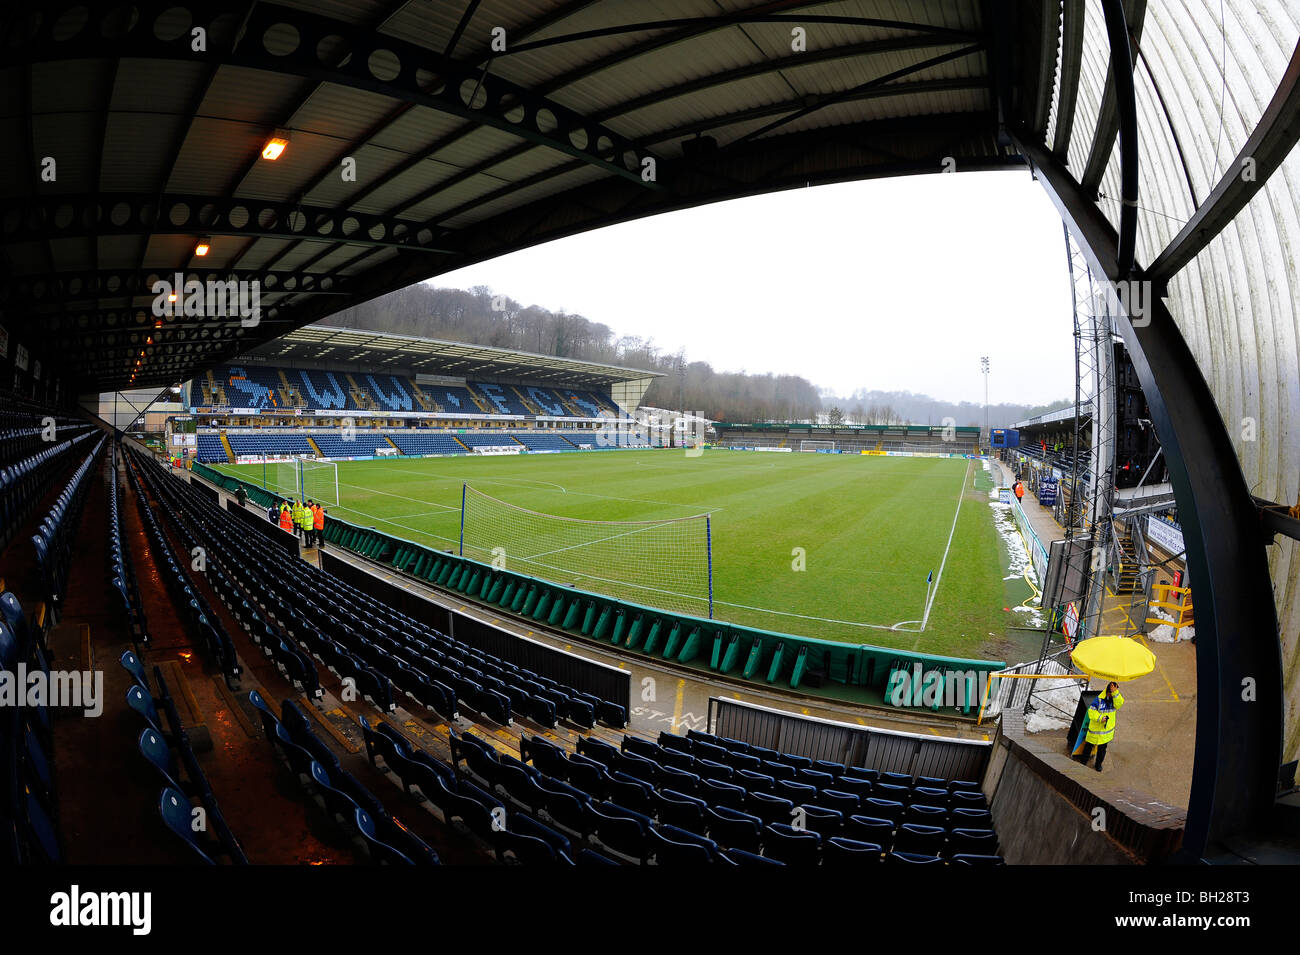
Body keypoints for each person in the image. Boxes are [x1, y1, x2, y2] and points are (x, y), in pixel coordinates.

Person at [1078, 682, 1125, 772]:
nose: (1111, 694)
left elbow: (1119, 704)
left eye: (1114, 691)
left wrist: (1115, 693)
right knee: (1088, 747)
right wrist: (1100, 718)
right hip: (1094, 731)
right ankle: (1083, 762)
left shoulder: (1115, 699)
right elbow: (1091, 712)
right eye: (1111, 691)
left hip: (1105, 733)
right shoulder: (1099, 699)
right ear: (1107, 690)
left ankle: (1098, 764)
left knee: (1102, 750)